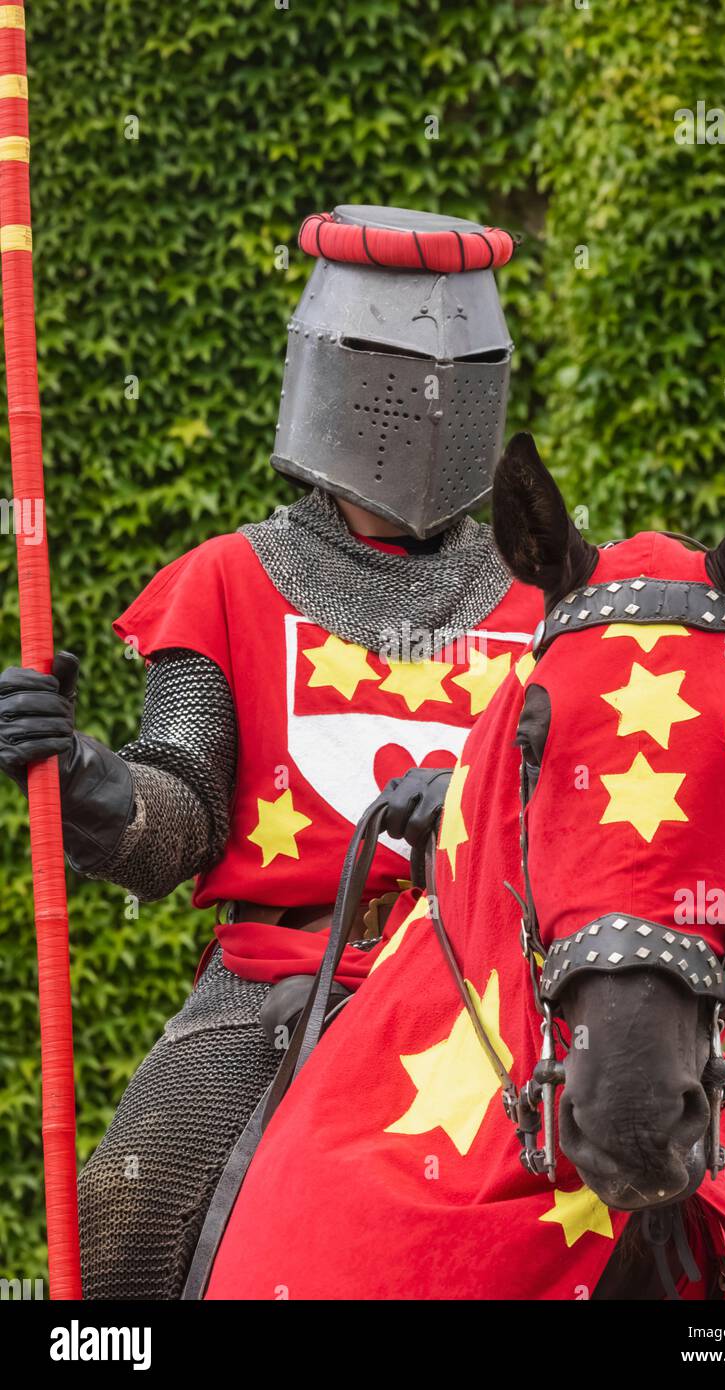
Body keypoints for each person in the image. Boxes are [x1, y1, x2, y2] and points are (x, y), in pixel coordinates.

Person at [0, 205, 541, 1299]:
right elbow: (182, 813)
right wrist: (90, 778)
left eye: (457, 365)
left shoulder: (545, 598)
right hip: (282, 992)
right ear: (337, 371)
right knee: (125, 1214)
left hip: (500, 988)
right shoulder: (229, 580)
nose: (424, 396)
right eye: (392, 362)